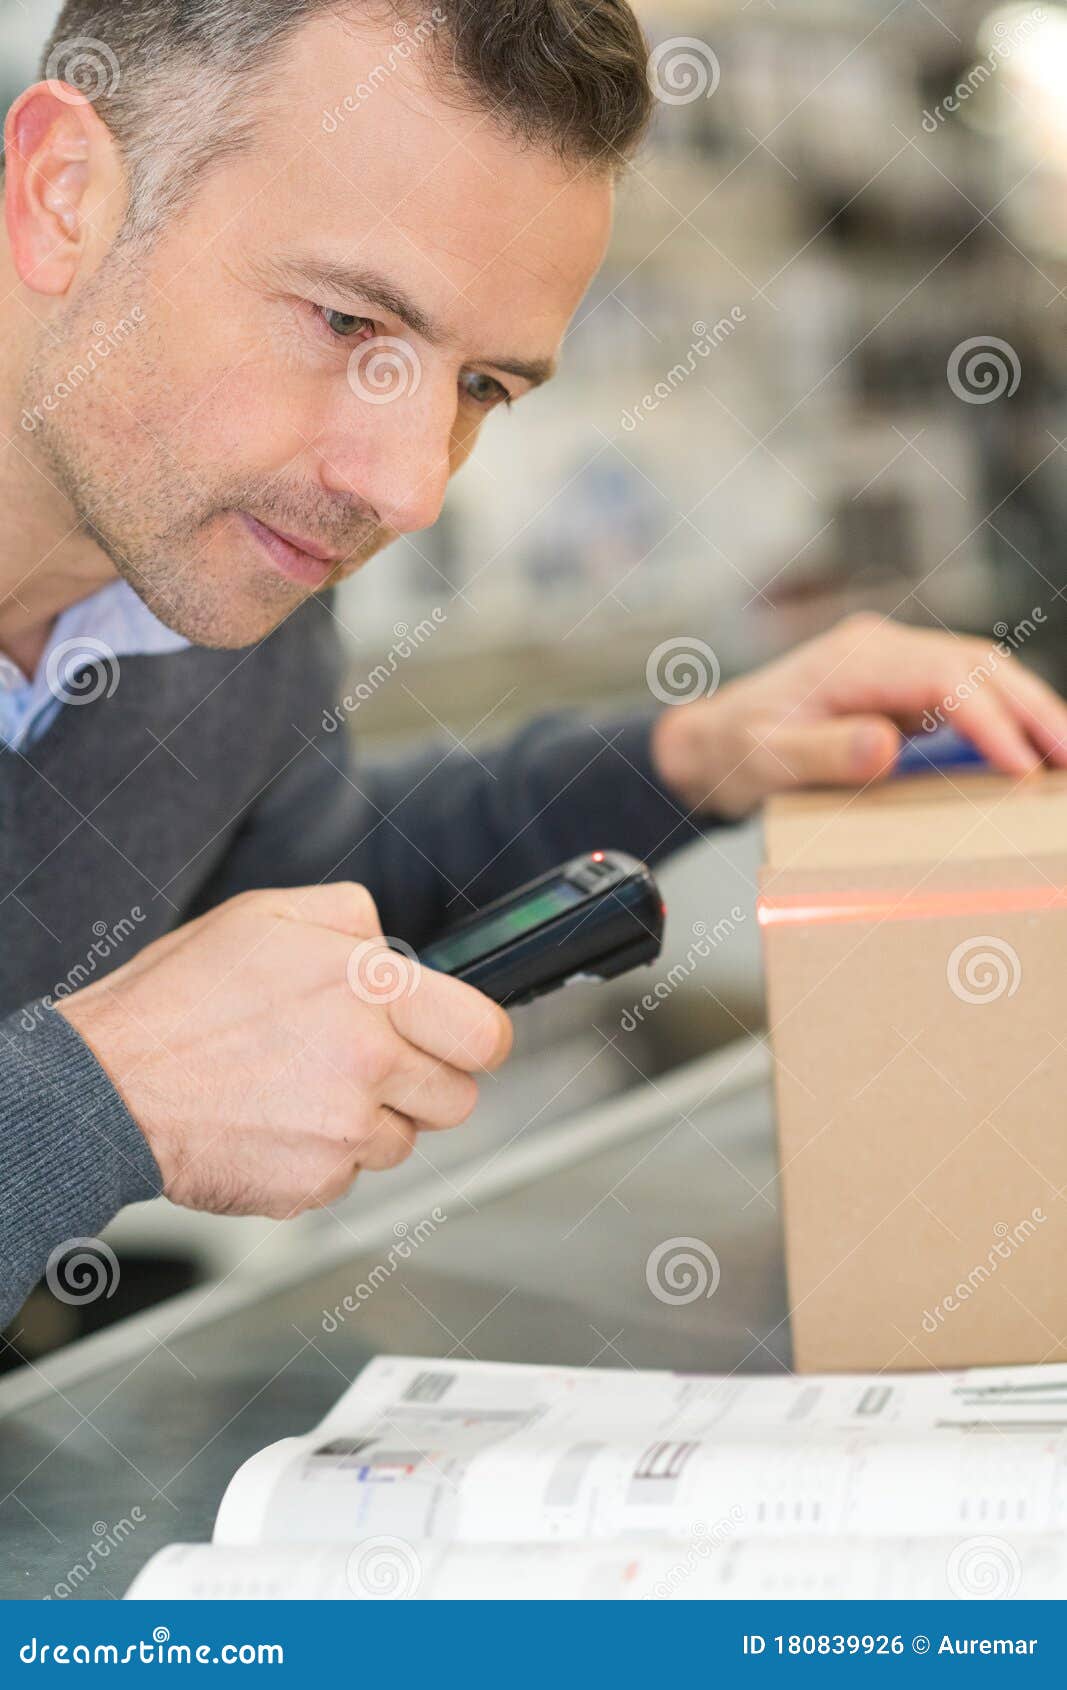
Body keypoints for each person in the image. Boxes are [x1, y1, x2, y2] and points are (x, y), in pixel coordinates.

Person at [1, 0, 1064, 1326]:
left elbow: (295, 879)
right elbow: (117, 1066)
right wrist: (94, 1103)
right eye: (345, 321)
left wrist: (690, 757)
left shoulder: (229, 575)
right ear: (62, 195)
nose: (406, 490)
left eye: (480, 389)